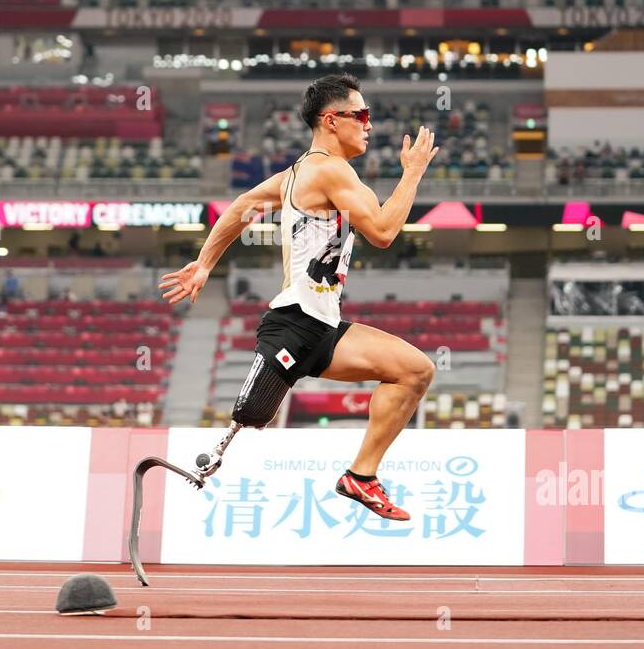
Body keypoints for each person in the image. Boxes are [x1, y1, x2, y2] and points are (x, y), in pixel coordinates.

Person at [158, 73, 439, 520]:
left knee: (415, 372)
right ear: (331, 120)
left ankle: (361, 477)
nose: (369, 124)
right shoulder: (329, 170)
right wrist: (413, 174)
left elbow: (240, 208)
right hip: (296, 323)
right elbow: (384, 232)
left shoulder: (295, 175)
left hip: (321, 326)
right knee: (247, 418)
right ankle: (194, 472)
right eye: (361, 115)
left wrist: (206, 262)